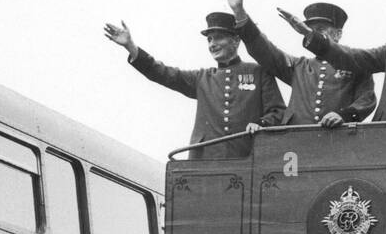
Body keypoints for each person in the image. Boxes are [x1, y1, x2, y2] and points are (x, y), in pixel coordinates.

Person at [103, 10, 284, 159]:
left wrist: (261, 124)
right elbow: (163, 73)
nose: (212, 44)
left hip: (247, 160)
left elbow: (278, 111)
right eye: (209, 39)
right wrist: (131, 47)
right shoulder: (202, 78)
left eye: (218, 38)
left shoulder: (258, 72)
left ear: (235, 40)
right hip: (204, 164)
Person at [221, 0, 375, 127]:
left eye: (320, 29)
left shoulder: (356, 64)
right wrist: (239, 12)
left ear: (338, 34)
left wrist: (344, 115)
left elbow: (367, 100)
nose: (312, 33)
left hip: (338, 143)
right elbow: (264, 50)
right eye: (310, 28)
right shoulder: (299, 67)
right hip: (296, 143)